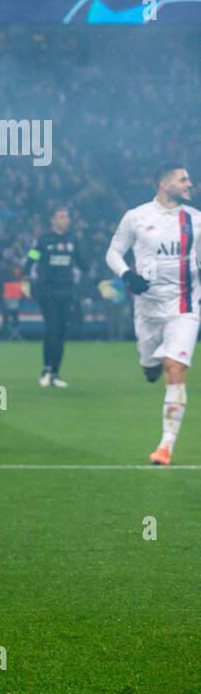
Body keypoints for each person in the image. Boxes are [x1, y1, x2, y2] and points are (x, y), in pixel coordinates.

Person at [105, 163, 201, 466]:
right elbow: (113, 252)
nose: (190, 183)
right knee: (151, 371)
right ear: (164, 184)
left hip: (184, 307)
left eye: (188, 179)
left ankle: (165, 447)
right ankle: (149, 364)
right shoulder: (137, 217)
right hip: (147, 309)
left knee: (174, 367)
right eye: (183, 179)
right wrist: (126, 275)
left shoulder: (196, 220)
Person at [28, 208, 80, 387]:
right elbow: (30, 260)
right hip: (47, 291)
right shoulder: (43, 241)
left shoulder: (72, 241)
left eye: (67, 216)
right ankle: (46, 369)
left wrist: (99, 281)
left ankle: (55, 373)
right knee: (52, 329)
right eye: (61, 217)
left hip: (66, 292)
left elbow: (82, 263)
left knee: (61, 332)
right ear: (53, 220)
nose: (66, 220)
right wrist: (26, 280)